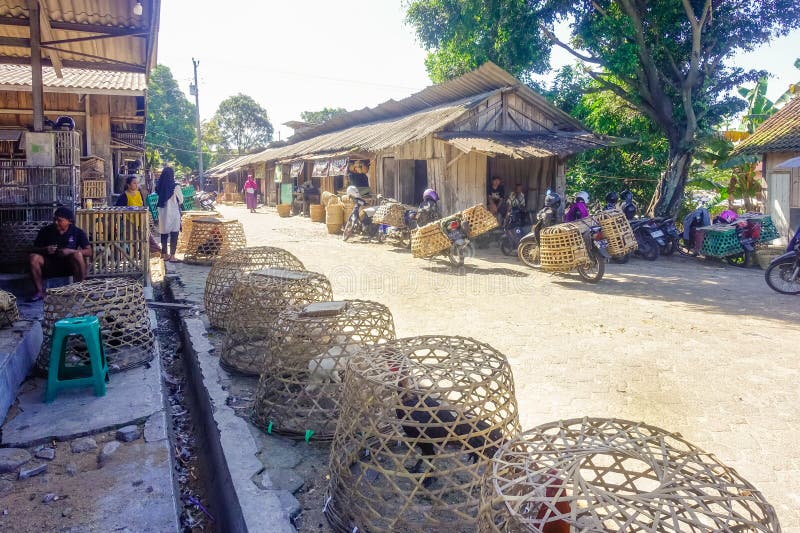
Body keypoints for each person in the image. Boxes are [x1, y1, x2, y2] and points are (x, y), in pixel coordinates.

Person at [28, 207, 92, 301]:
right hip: (49, 264)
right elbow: (33, 249)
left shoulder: (77, 232)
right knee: (33, 258)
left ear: (69, 221)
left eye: (59, 220)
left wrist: (71, 251)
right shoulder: (45, 231)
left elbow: (89, 252)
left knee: (78, 254)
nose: (56, 222)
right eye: (54, 219)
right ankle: (39, 292)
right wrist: (45, 249)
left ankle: (81, 288)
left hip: (69, 265)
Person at [156, 167, 183, 262]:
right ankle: (172, 256)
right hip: (173, 213)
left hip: (163, 213)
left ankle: (164, 254)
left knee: (164, 234)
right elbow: (181, 201)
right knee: (174, 233)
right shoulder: (176, 187)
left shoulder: (159, 186)